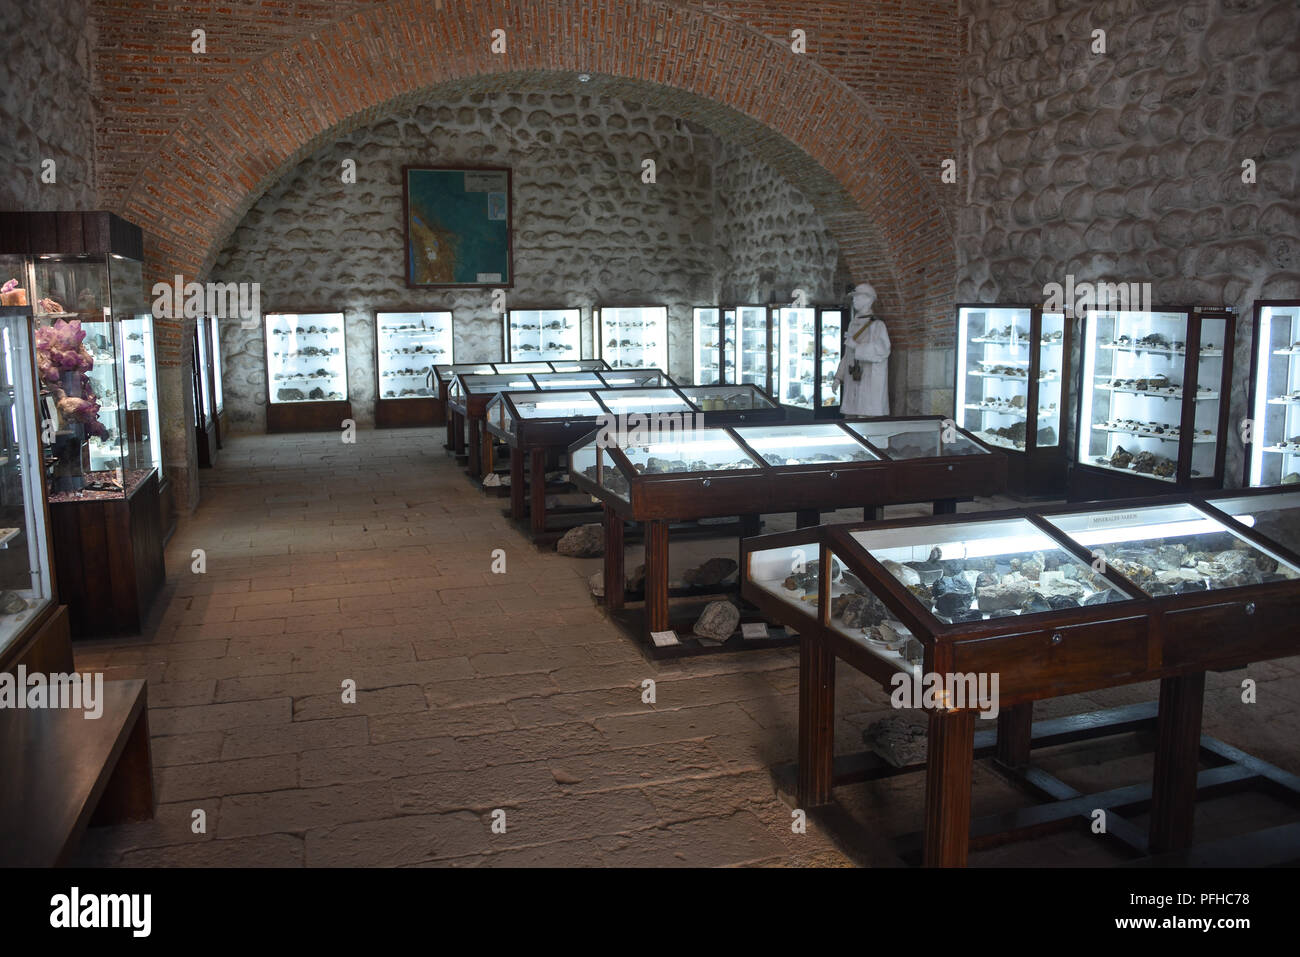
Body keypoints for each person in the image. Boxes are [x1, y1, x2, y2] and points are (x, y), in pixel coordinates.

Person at [834, 282, 890, 416]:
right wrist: (838, 377)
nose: (854, 300)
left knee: (867, 419)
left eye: (857, 297)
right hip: (853, 379)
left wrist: (858, 347)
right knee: (852, 421)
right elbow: (847, 355)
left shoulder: (877, 325)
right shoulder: (853, 324)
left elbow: (882, 351)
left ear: (868, 299)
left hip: (869, 383)